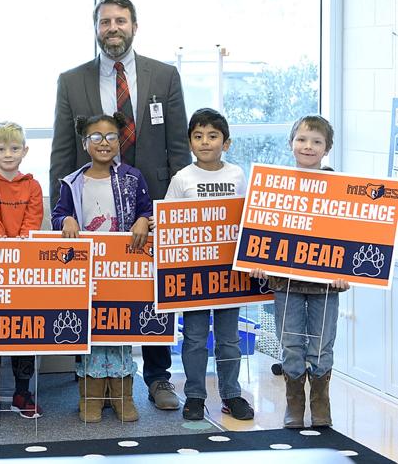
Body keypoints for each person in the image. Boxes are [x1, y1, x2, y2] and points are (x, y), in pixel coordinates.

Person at [50, 0, 190, 410]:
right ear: (96, 28)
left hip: (149, 204)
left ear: (134, 25)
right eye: (105, 21)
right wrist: (63, 210)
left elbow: (178, 145)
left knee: (152, 293)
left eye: (121, 21)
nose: (113, 28)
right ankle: (93, 382)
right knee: (92, 293)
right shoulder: (71, 80)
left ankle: (159, 378)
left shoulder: (164, 76)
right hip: (91, 207)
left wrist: (177, 207)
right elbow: (62, 149)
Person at [250, 115, 350, 428]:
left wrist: (346, 271)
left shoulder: (338, 186)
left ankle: (320, 403)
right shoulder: (275, 184)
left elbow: (348, 233)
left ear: (327, 148)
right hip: (285, 282)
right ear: (291, 143)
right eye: (302, 140)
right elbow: (263, 227)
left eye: (316, 141)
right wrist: (258, 258)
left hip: (326, 285)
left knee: (321, 345)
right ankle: (294, 404)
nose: (308, 146)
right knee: (291, 343)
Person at [52, 113, 151, 423]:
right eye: (96, 137)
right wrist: (65, 220)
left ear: (119, 142)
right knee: (92, 333)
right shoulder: (73, 182)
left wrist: (143, 220)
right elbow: (59, 215)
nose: (104, 142)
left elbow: (147, 212)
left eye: (110, 136)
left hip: (123, 271)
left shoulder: (133, 178)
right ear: (85, 143)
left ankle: (123, 396)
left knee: (120, 331)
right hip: (88, 273)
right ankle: (91, 398)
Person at [163, 108, 254, 421]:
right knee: (195, 339)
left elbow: (247, 220)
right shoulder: (182, 179)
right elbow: (169, 223)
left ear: (225, 143)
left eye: (212, 136)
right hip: (193, 276)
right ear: (189, 142)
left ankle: (231, 394)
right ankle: (195, 396)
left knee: (229, 340)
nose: (205, 142)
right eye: (198, 136)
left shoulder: (237, 175)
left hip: (230, 274)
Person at [0, 121, 44, 419]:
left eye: (14, 148)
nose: (8, 154)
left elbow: (34, 219)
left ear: (25, 150)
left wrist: (19, 247)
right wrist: (2, 244)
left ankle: (22, 392)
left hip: (23, 267)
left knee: (23, 328)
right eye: (1, 148)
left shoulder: (33, 185)